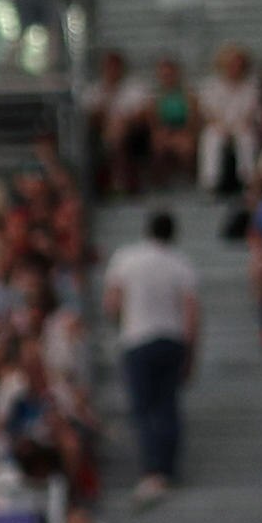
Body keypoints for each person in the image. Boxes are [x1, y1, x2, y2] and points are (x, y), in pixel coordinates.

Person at [102, 209, 201, 504]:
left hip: (138, 339)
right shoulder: (181, 264)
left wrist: (121, 323)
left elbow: (112, 301)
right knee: (167, 405)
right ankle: (168, 468)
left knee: (143, 409)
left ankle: (152, 470)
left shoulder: (127, 258)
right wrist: (191, 352)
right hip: (172, 339)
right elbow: (191, 312)